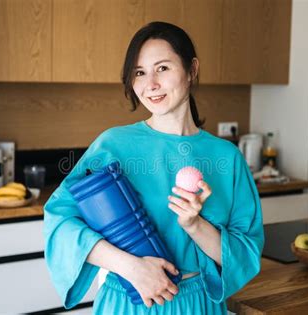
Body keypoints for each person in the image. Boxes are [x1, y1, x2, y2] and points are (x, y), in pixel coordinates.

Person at [44, 21, 264, 314]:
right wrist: (132, 268)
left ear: (192, 69)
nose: (151, 85)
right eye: (139, 73)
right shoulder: (113, 145)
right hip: (130, 302)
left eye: (162, 68)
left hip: (199, 305)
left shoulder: (227, 156)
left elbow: (245, 254)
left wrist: (195, 226)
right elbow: (59, 223)